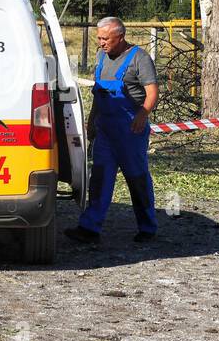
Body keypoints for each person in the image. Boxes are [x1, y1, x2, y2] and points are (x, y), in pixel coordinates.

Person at [64, 16, 159, 244]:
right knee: (99, 179)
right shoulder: (102, 58)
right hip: (105, 131)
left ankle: (147, 227)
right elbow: (99, 93)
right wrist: (91, 121)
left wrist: (142, 115)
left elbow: (152, 93)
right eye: (99, 38)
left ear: (120, 36)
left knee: (137, 179)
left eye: (105, 38)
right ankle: (89, 228)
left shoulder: (139, 58)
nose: (101, 42)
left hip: (130, 132)